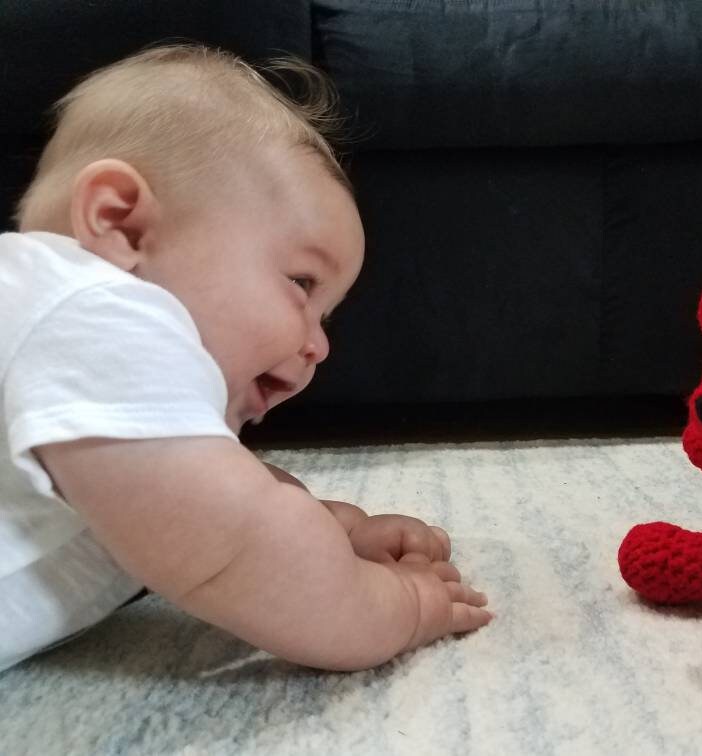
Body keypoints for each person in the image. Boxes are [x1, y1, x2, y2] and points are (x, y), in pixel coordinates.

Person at [0, 44, 492, 673]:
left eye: (326, 318)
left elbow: (216, 493)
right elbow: (232, 548)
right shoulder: (94, 308)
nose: (320, 345)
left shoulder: (80, 370)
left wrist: (335, 534)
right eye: (302, 284)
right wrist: (399, 605)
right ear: (122, 224)